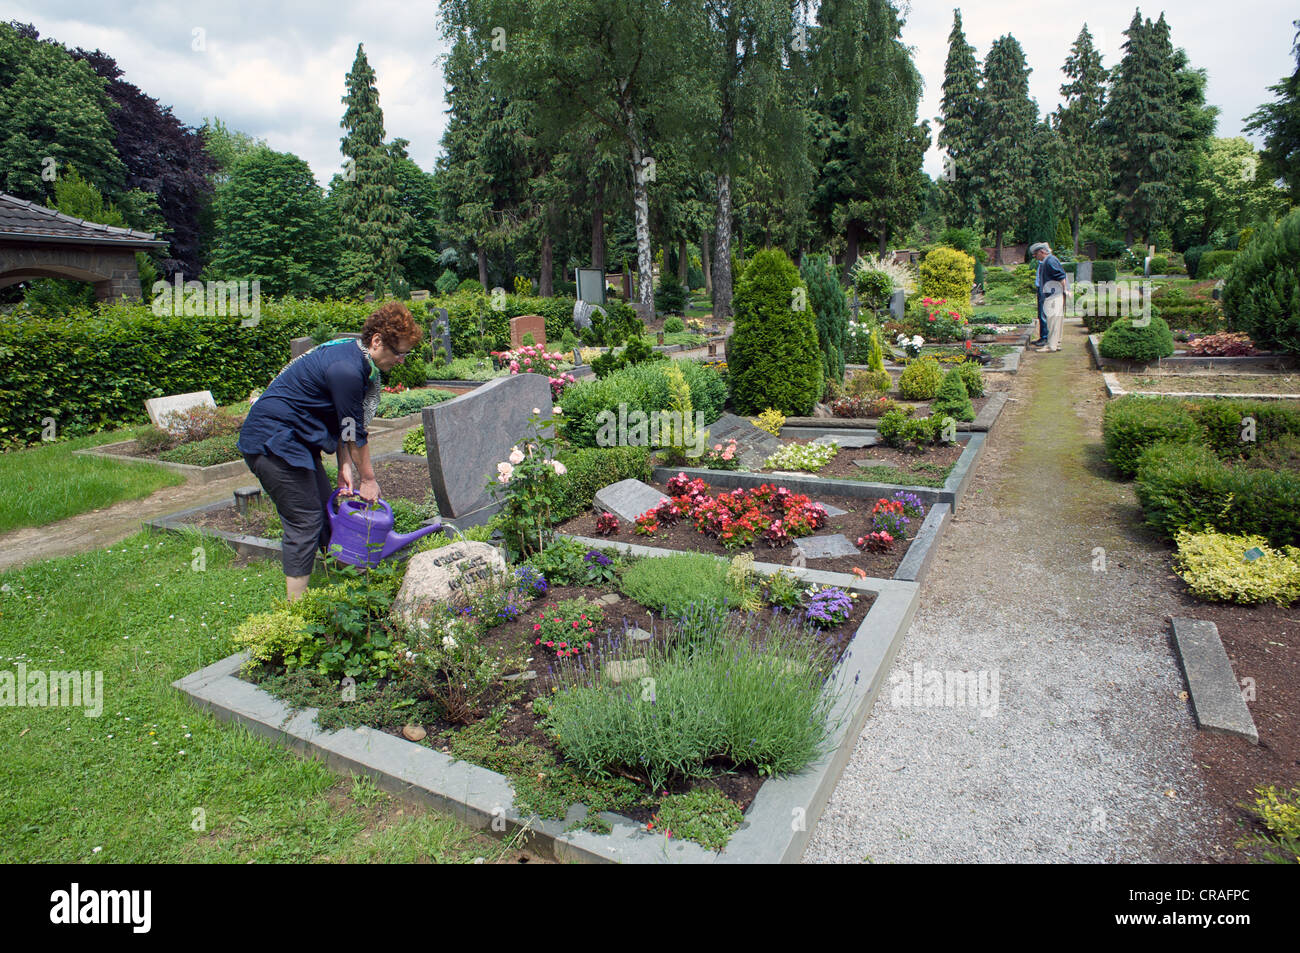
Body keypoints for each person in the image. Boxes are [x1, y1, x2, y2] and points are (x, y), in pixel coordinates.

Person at [237, 302, 423, 600]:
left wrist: (343, 468)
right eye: (399, 352)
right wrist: (368, 479)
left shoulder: (353, 357)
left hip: (293, 442)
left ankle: (344, 585)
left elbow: (342, 423)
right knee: (305, 520)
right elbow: (354, 431)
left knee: (327, 511)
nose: (401, 360)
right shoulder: (348, 369)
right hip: (272, 442)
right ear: (377, 341)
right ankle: (295, 611)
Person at [1030, 242, 1068, 352]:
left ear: (1042, 252)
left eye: (1035, 254)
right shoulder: (1049, 260)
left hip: (1053, 295)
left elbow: (1061, 276)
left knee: (1052, 322)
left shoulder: (1050, 260)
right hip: (1055, 294)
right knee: (1057, 321)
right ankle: (1057, 344)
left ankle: (1051, 346)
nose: (1035, 257)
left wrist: (1064, 291)